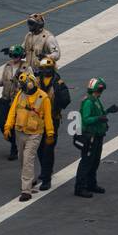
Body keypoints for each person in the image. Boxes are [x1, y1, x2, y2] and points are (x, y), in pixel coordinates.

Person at [4, 72, 54, 202]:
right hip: (19, 132)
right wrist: (7, 126)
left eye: (24, 85)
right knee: (22, 159)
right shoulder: (20, 95)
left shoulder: (43, 98)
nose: (23, 88)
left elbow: (48, 117)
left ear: (31, 83)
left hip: (35, 133)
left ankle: (26, 190)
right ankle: (29, 179)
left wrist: (50, 133)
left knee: (27, 160)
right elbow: (12, 112)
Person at [74, 78, 118, 198]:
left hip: (97, 135)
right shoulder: (89, 102)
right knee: (86, 162)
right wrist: (99, 119)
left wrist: (108, 111)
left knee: (94, 161)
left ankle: (91, 184)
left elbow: (100, 113)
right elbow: (86, 119)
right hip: (90, 136)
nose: (101, 92)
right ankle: (80, 188)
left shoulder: (96, 100)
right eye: (100, 90)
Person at [34, 57, 71, 191]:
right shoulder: (36, 81)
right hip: (37, 120)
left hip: (53, 120)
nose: (45, 71)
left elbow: (66, 100)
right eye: (43, 69)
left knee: (48, 148)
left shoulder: (59, 83)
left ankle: (46, 178)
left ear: (53, 68)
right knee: (39, 147)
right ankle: (46, 170)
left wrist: (55, 107)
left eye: (48, 69)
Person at [0, 44, 25, 160]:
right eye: (12, 55)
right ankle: (15, 142)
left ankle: (14, 147)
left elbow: (31, 83)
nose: (14, 57)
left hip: (18, 101)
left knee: (15, 126)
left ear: (21, 56)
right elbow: (3, 81)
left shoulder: (26, 67)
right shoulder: (7, 66)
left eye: (16, 55)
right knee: (3, 124)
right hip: (5, 99)